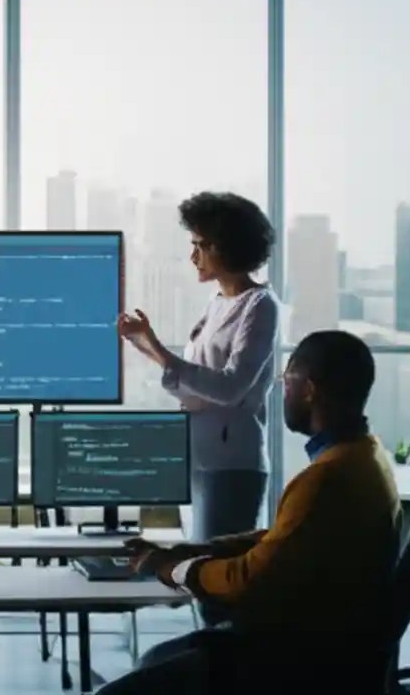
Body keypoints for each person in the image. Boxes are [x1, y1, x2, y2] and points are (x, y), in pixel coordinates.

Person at [97, 331, 402, 694]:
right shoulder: (366, 457)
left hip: (293, 659)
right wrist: (196, 550)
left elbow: (247, 581)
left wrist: (171, 569)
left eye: (286, 381)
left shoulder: (326, 477)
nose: (281, 392)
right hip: (326, 643)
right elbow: (285, 539)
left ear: (309, 390)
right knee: (158, 659)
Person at [117, 191, 278, 621]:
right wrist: (149, 346)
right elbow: (195, 386)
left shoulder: (260, 307)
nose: (193, 256)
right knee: (198, 581)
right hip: (202, 457)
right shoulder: (217, 304)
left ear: (228, 246)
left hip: (232, 462)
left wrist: (165, 357)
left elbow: (229, 388)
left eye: (200, 245)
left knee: (216, 589)